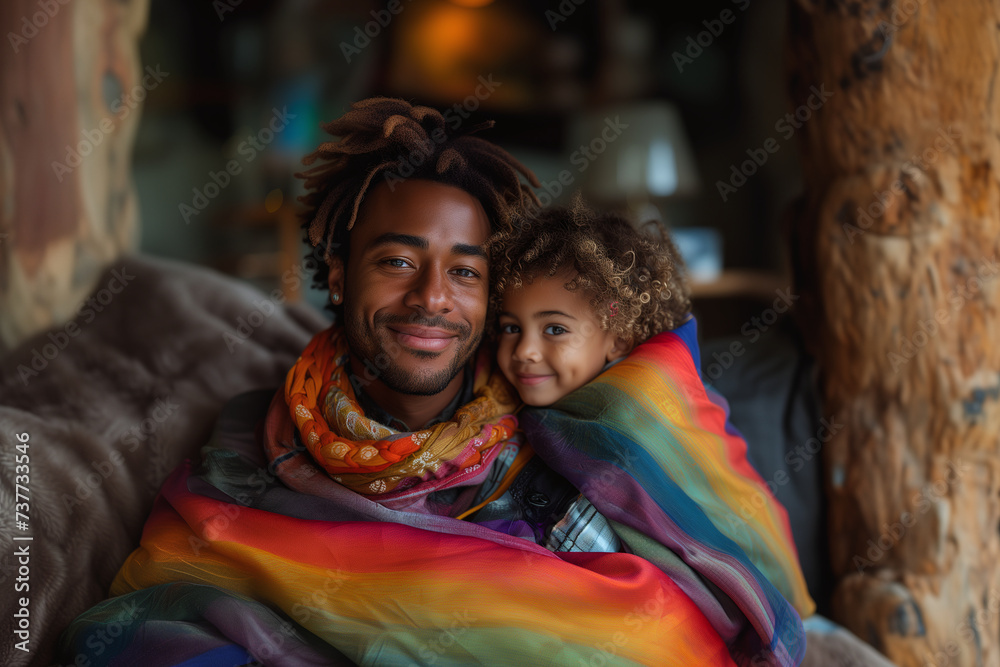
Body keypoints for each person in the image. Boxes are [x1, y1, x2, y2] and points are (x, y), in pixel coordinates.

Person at [56, 98, 811, 666]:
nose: (431, 297)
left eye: (466, 272)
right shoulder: (254, 444)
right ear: (341, 274)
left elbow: (657, 621)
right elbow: (154, 610)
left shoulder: (557, 429)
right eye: (395, 261)